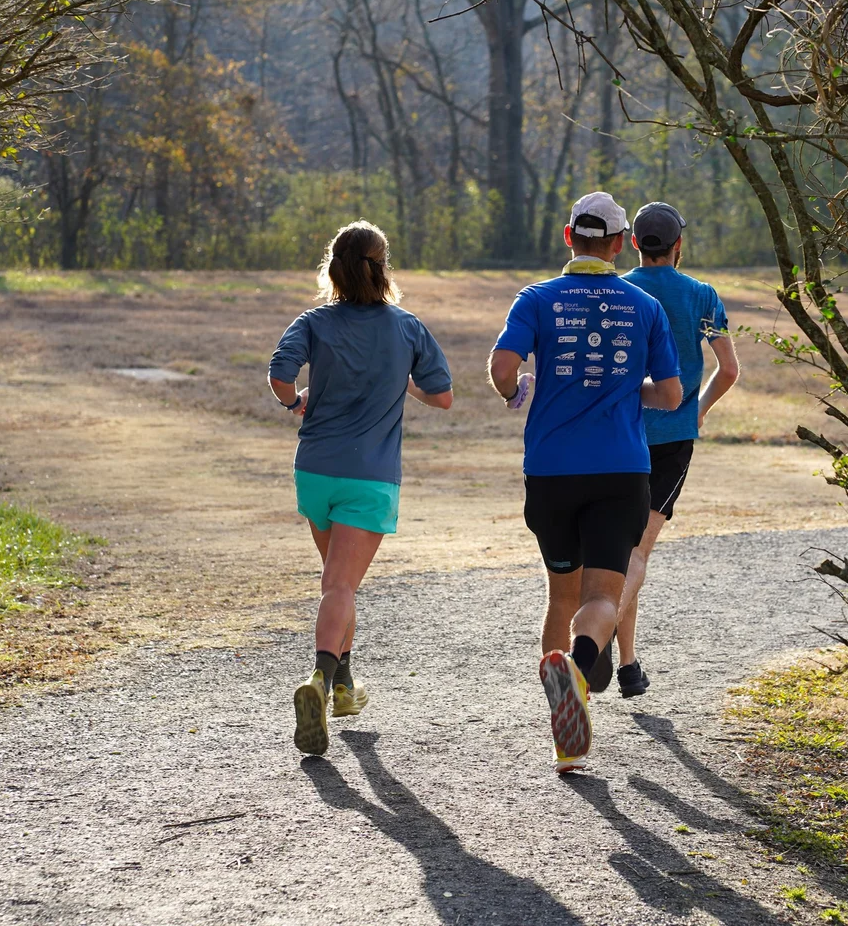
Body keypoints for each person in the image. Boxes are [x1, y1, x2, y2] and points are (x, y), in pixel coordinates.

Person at [488, 191, 682, 773]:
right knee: (601, 597)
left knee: (561, 594)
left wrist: (515, 390)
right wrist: (630, 392)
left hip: (551, 472)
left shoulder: (537, 298)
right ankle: (581, 661)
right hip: (622, 470)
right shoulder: (645, 305)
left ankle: (565, 737)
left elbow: (503, 368)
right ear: (620, 244)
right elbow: (670, 396)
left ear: (569, 238)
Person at [268, 221, 453, 756]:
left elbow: (281, 374)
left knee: (335, 582)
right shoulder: (406, 326)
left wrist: (294, 402)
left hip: (315, 471)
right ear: (383, 268)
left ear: (334, 269)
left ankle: (345, 687)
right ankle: (320, 683)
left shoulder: (313, 321)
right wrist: (404, 384)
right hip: (369, 476)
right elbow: (442, 397)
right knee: (340, 588)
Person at [615, 201, 739, 697]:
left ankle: (627, 665)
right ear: (679, 247)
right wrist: (700, 408)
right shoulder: (702, 297)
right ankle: (596, 640)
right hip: (672, 437)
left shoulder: (618, 292)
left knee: (619, 552)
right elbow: (728, 369)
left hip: (616, 434)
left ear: (633, 244)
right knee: (638, 551)